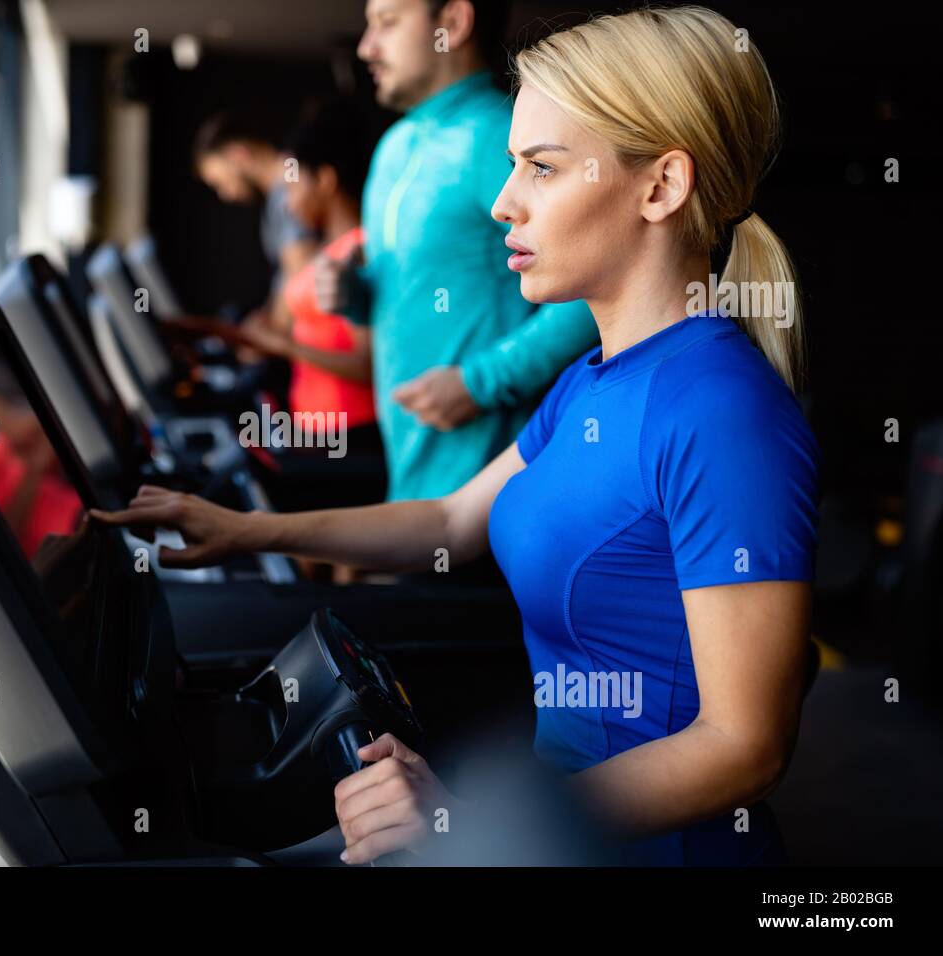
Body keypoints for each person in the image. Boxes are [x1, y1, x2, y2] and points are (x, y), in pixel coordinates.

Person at [93, 5, 820, 866]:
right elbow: (447, 523)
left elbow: (745, 746)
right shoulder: (590, 380)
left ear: (661, 187)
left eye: (541, 170)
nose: (505, 202)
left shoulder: (718, 411)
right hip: (548, 828)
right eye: (513, 165)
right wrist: (245, 531)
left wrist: (466, 813)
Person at [315, 0, 597, 503]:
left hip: (487, 494)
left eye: (387, 22)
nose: (366, 46)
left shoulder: (504, 136)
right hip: (409, 480)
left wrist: (480, 383)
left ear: (454, 22)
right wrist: (352, 294)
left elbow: (594, 290)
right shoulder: (394, 146)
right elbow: (405, 297)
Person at [236, 99, 389, 526]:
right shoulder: (322, 251)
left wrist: (283, 344)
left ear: (325, 180)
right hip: (313, 427)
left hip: (350, 433)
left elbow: (367, 364)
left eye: (294, 186)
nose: (287, 204)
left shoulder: (357, 251)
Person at [193, 111, 319, 353]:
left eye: (220, 182)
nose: (225, 194)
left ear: (238, 154)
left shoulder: (290, 189)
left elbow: (299, 275)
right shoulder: (281, 190)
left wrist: (268, 336)